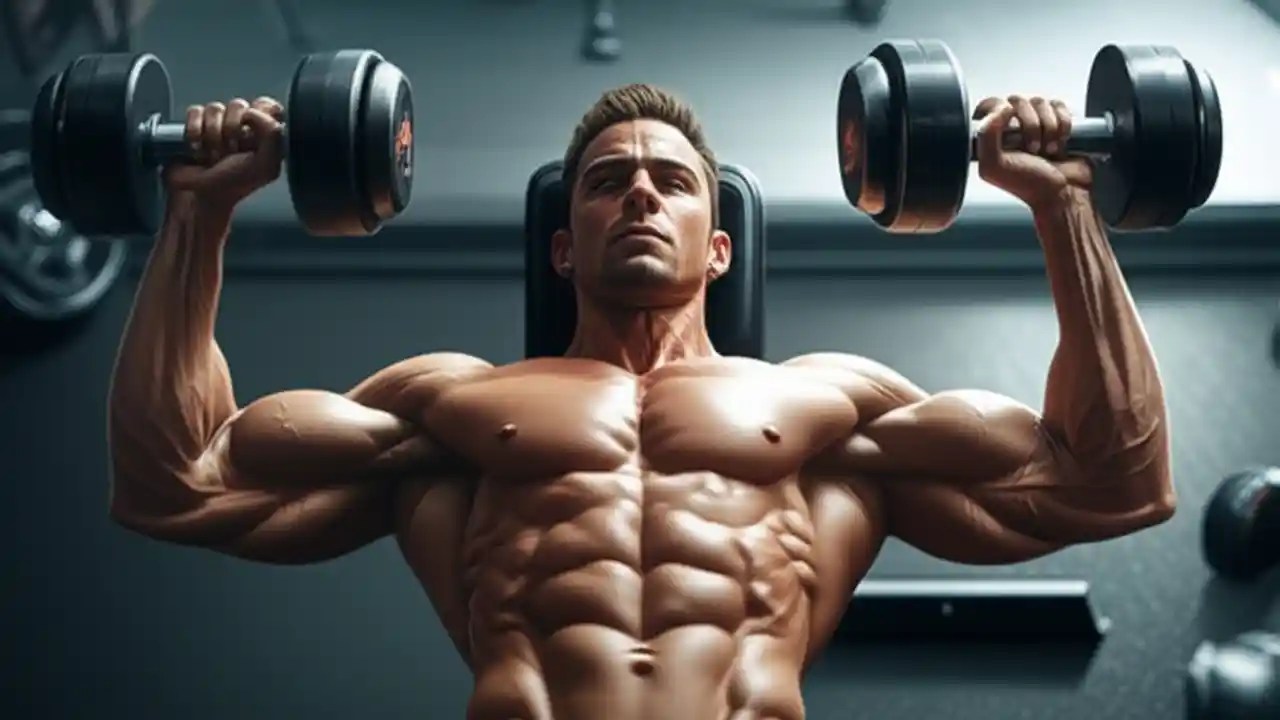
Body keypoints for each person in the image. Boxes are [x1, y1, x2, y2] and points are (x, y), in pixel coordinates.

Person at [107, 85, 1176, 720]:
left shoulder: (829, 416)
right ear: (562, 244)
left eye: (670, 181)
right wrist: (198, 213)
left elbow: (1111, 479)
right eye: (607, 180)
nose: (638, 194)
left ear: (719, 249)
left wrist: (1063, 207)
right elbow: (177, 483)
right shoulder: (452, 412)